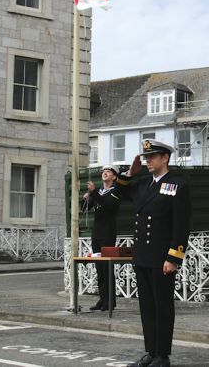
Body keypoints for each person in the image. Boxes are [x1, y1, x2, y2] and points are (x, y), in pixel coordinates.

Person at [116, 139, 191, 367]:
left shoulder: (176, 185)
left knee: (162, 306)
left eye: (152, 157)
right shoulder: (142, 184)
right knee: (147, 306)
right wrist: (129, 173)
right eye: (146, 157)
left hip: (162, 258)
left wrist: (173, 257)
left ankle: (162, 355)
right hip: (143, 256)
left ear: (164, 158)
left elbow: (181, 225)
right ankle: (150, 351)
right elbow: (119, 192)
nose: (148, 161)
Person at [83, 165, 122, 311]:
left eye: (108, 171)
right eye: (103, 171)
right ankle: (102, 299)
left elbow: (107, 205)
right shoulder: (98, 190)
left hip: (107, 233)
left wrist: (94, 193)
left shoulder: (116, 192)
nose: (105, 173)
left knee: (107, 267)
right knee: (99, 267)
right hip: (97, 232)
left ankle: (110, 301)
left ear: (114, 176)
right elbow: (87, 208)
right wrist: (86, 199)